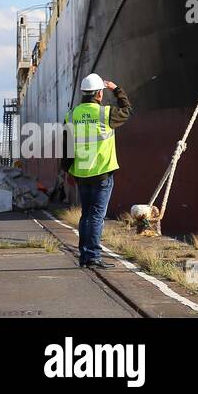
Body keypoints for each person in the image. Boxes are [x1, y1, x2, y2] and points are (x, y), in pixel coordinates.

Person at [63, 73, 132, 269]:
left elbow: (66, 147)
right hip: (102, 173)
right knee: (96, 216)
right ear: (99, 95)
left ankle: (85, 256)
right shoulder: (105, 114)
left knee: (86, 215)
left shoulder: (71, 115)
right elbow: (128, 110)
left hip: (81, 174)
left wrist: (66, 171)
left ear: (83, 93)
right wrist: (116, 89)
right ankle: (93, 255)